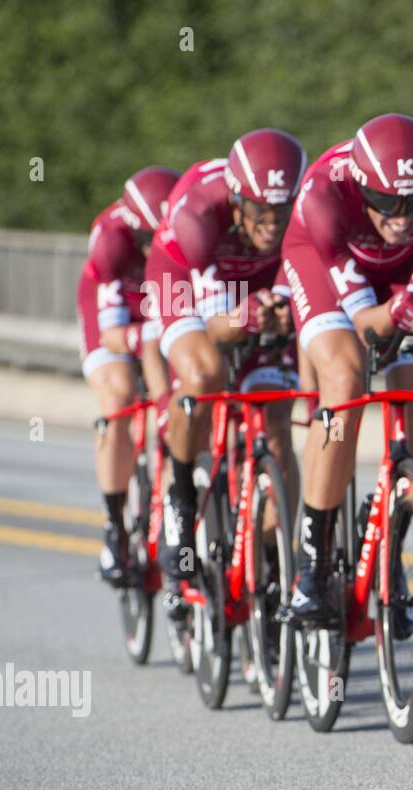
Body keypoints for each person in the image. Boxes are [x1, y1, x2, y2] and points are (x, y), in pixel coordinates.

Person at [281, 113, 413, 627]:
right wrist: (400, 313)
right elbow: (367, 322)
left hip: (402, 280)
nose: (403, 216)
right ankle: (313, 563)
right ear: (362, 187)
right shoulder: (324, 195)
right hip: (327, 268)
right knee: (344, 383)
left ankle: (390, 536)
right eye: (388, 203)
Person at [146, 128, 306, 580]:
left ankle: (276, 554)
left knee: (277, 419)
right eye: (260, 210)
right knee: (204, 372)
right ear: (237, 201)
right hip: (183, 273)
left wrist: (276, 311)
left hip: (255, 278)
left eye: (282, 210)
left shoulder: (301, 209)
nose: (273, 223)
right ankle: (180, 497)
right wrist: (248, 317)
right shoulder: (197, 214)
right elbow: (219, 327)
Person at [78, 165, 180, 584]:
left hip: (161, 303)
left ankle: (177, 506)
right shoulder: (112, 240)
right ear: (133, 228)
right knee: (118, 395)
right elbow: (113, 334)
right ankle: (114, 523)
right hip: (118, 317)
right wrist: (146, 337)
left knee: (184, 402)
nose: (153, 248)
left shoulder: (182, 231)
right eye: (147, 241)